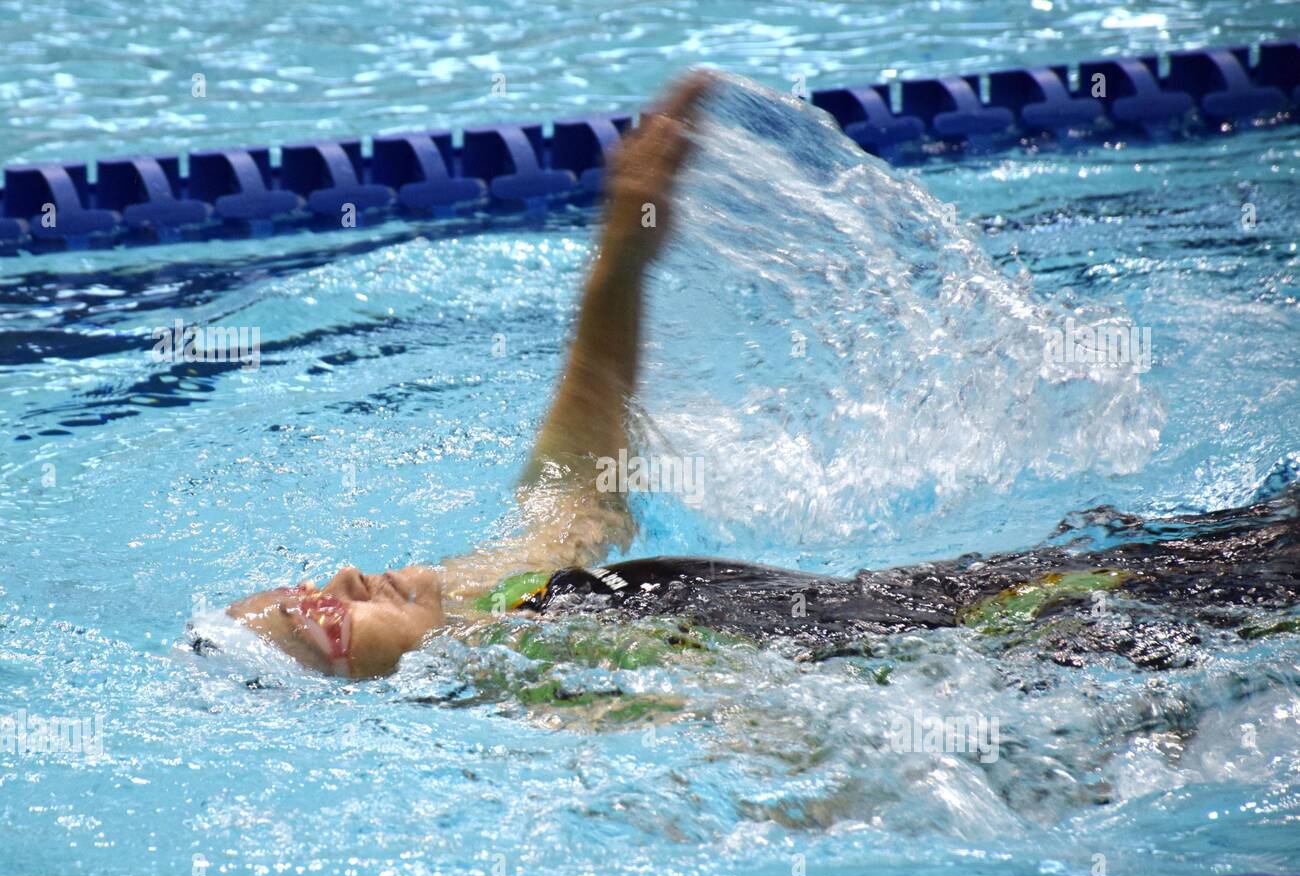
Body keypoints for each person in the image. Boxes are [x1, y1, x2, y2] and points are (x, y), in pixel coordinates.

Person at [222, 72, 1300, 679]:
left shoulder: (495, 604)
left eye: (310, 582)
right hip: (1038, 643)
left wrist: (621, 255)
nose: (349, 580)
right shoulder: (545, 685)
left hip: (1013, 589)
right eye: (322, 621)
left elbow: (582, 488)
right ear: (373, 691)